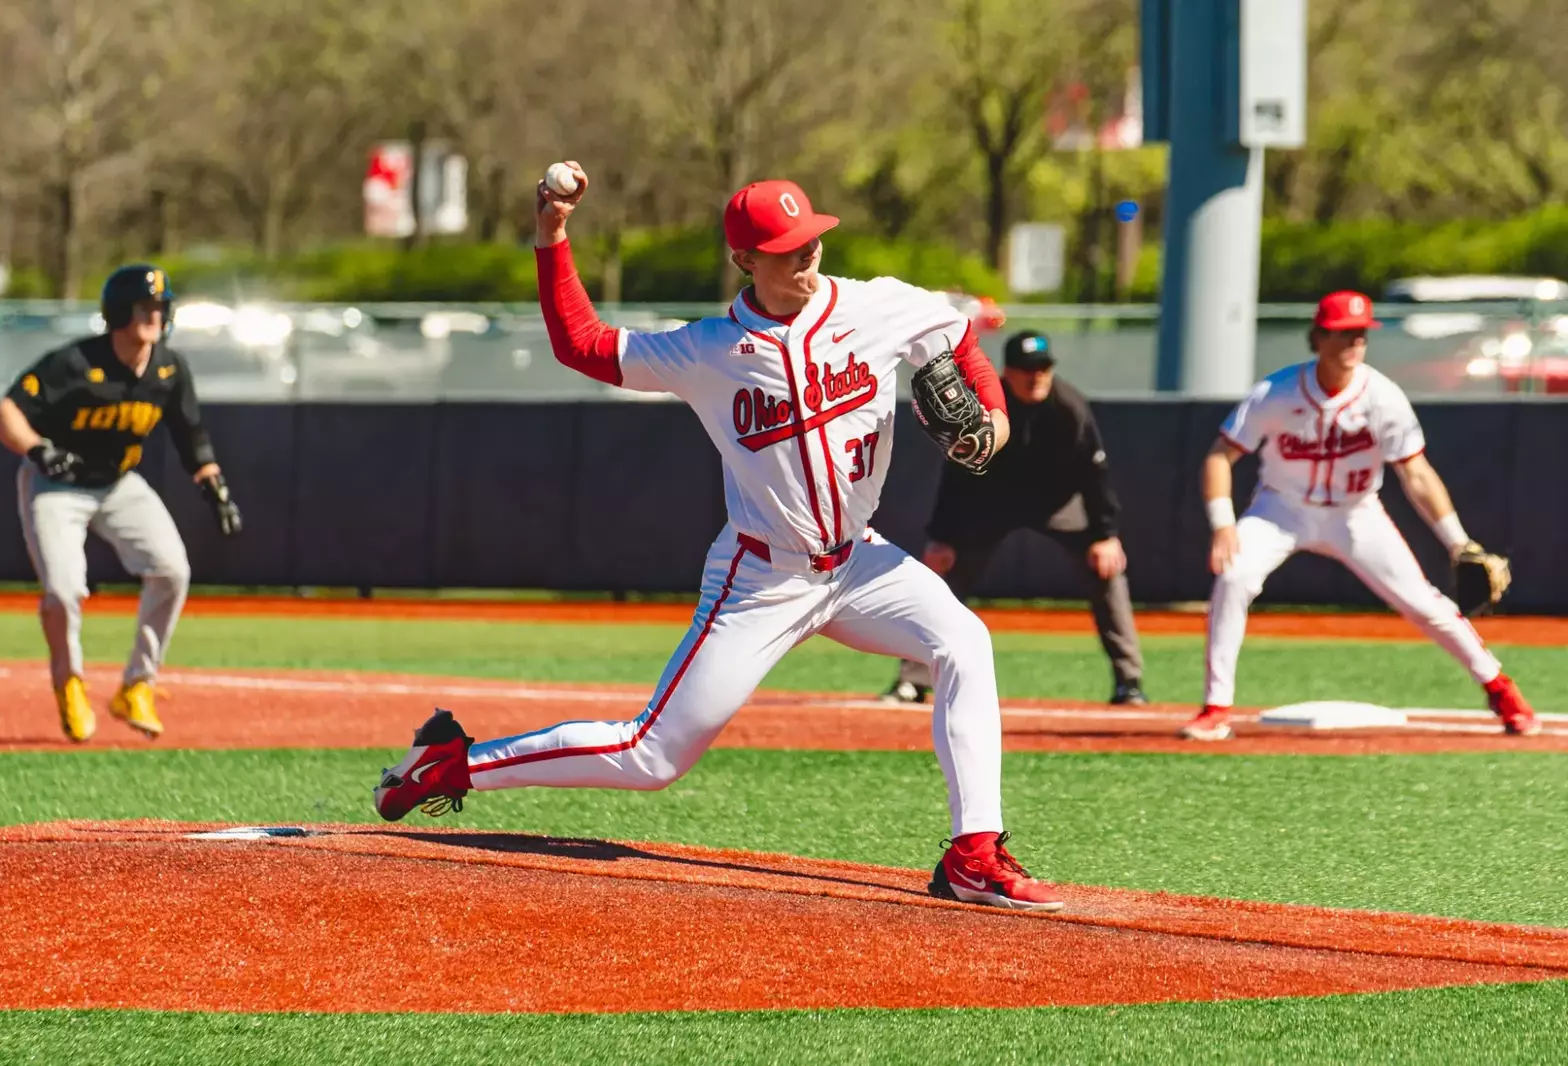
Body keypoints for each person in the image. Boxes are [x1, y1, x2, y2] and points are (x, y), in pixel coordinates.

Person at [372, 162, 1067, 911]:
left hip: (861, 564)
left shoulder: (881, 308)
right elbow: (583, 345)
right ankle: (451, 764)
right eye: (786, 246)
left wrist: (991, 415)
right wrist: (553, 235)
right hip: (762, 578)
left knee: (964, 641)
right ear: (745, 259)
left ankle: (972, 854)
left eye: (812, 238)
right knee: (652, 755)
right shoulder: (707, 350)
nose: (806, 253)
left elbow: (958, 339)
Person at [1178, 290, 1539, 740]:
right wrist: (1223, 524)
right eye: (1344, 333)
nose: (1354, 342)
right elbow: (1219, 456)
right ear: (1318, 338)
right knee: (1233, 578)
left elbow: (1417, 474)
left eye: (1361, 334)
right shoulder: (1277, 392)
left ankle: (1501, 689)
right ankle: (1216, 707)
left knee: (1424, 603)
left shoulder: (1383, 397)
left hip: (1355, 513)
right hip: (1280, 510)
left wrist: (1457, 541)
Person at [0, 264, 244, 742]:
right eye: (143, 306)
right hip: (57, 486)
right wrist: (39, 449)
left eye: (160, 307)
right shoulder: (76, 364)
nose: (154, 315)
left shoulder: (168, 368)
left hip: (119, 483)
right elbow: (4, 414)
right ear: (117, 312)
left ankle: (137, 685)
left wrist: (214, 486)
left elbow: (191, 434)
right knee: (63, 591)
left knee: (172, 570)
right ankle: (69, 683)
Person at [881, 330, 1147, 707]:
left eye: (1043, 368)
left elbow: (1095, 473)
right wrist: (942, 536)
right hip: (992, 501)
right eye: (1026, 369)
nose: (1035, 376)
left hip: (1057, 502)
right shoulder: (986, 405)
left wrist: (1105, 534)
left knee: (1107, 570)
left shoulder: (1068, 406)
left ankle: (1129, 681)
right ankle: (912, 680)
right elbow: (956, 476)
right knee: (943, 575)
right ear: (1007, 372)